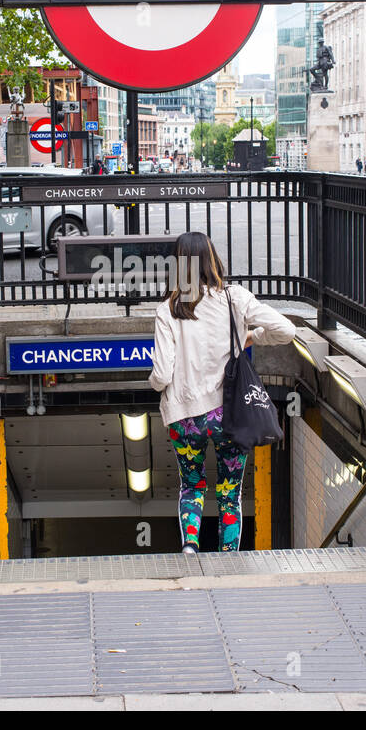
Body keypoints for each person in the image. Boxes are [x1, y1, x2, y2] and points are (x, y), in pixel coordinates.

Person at [149, 233, 295, 554]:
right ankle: (227, 557)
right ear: (212, 260)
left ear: (178, 266)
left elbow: (161, 375)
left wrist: (157, 386)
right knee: (230, 492)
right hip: (230, 415)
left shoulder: (168, 310)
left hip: (186, 420)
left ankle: (190, 545)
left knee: (192, 485)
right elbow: (286, 330)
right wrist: (251, 337)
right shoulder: (235, 298)